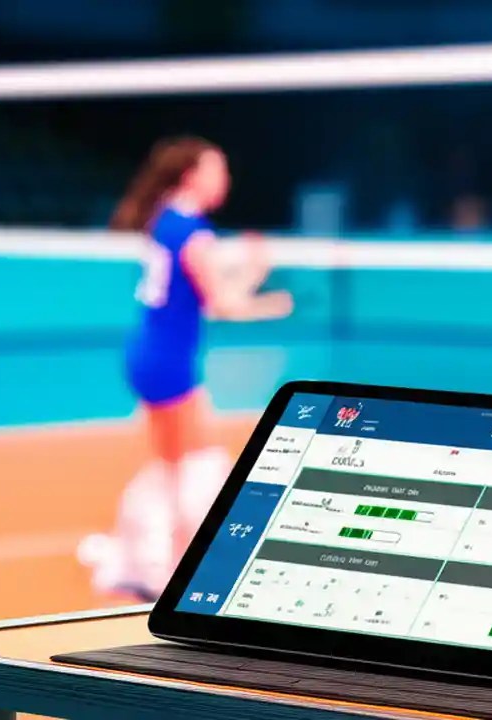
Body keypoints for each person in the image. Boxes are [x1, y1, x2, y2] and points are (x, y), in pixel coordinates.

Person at [78, 136, 293, 600]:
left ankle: (147, 562)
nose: (226, 180)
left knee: (177, 469)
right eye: (219, 170)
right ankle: (169, 568)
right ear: (193, 175)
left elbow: (200, 293)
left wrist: (251, 274)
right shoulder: (193, 231)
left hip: (148, 354)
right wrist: (269, 292)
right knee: (200, 468)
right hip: (170, 362)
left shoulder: (165, 221)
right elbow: (222, 304)